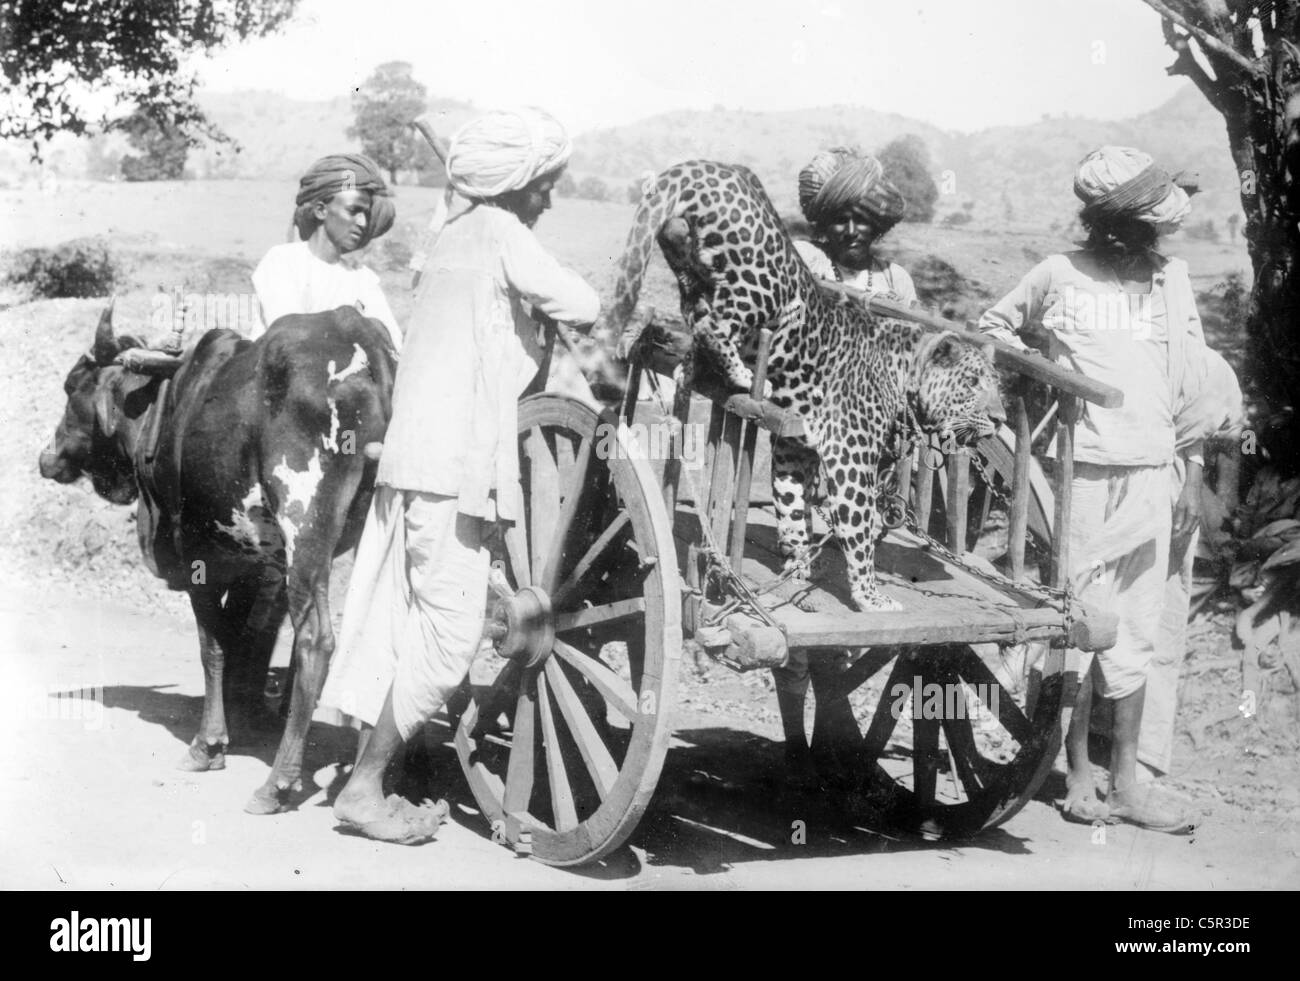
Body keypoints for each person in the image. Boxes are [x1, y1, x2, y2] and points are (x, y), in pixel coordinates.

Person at [318, 108, 600, 844]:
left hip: (411, 459)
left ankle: (376, 772)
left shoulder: (447, 238)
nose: (550, 199)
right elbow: (587, 304)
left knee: (405, 616)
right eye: (546, 185)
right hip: (451, 468)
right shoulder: (504, 234)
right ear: (519, 182)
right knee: (449, 636)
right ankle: (365, 786)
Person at [978, 145, 1207, 833]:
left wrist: (1190, 470)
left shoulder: (1174, 281)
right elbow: (993, 328)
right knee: (1080, 623)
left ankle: (1128, 782)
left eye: (1155, 228)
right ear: (1108, 224)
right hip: (1081, 474)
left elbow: (1191, 382)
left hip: (1153, 474)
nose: (1151, 239)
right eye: (1140, 226)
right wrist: (1041, 378)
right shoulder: (1060, 274)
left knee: (1137, 631)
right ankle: (1077, 773)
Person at [251, 152, 404, 352]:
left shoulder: (363, 279)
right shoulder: (282, 261)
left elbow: (392, 342)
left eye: (366, 214)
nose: (362, 222)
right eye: (353, 211)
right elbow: (290, 335)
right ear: (321, 210)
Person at [792, 146, 916, 306]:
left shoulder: (895, 279)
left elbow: (912, 330)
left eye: (861, 220)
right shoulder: (807, 258)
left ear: (876, 224)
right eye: (840, 220)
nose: (851, 232)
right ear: (825, 223)